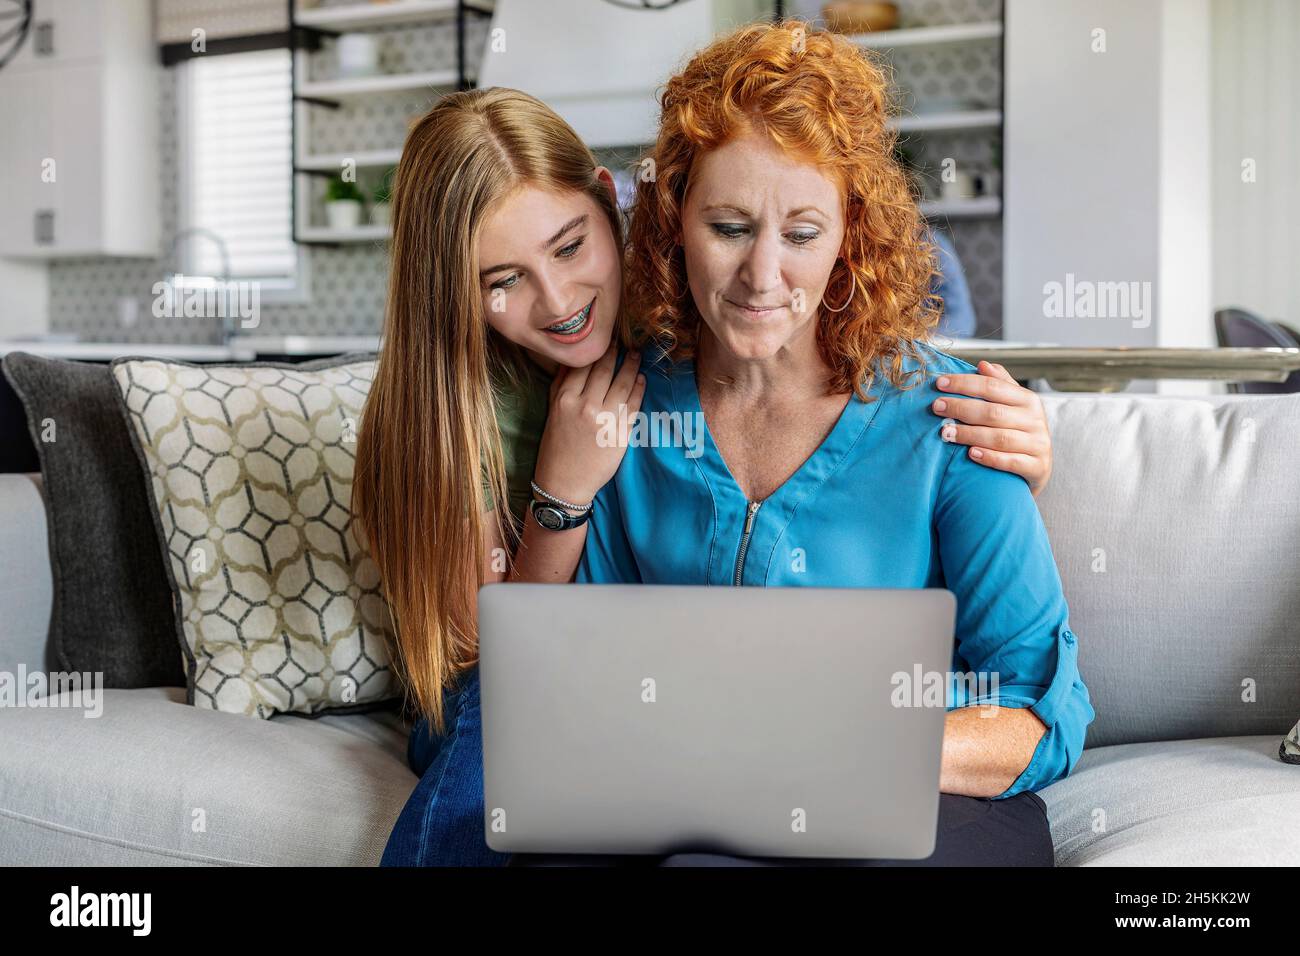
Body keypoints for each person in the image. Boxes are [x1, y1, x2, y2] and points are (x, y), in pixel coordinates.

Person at [360, 79, 1060, 866]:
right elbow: (513, 655)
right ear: (678, 225)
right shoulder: (478, 407)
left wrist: (1028, 449)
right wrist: (563, 496)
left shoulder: (667, 331)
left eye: (568, 247)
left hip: (830, 761)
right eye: (502, 281)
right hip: (497, 675)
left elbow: (1038, 703)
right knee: (507, 711)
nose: (558, 299)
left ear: (613, 206)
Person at [517, 20, 1093, 866]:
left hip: (912, 803)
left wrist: (841, 756)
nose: (762, 279)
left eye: (801, 234)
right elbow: (573, 684)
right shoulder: (627, 412)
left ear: (850, 234)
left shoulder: (951, 416)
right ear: (674, 218)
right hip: (697, 798)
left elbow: (1044, 712)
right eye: (730, 226)